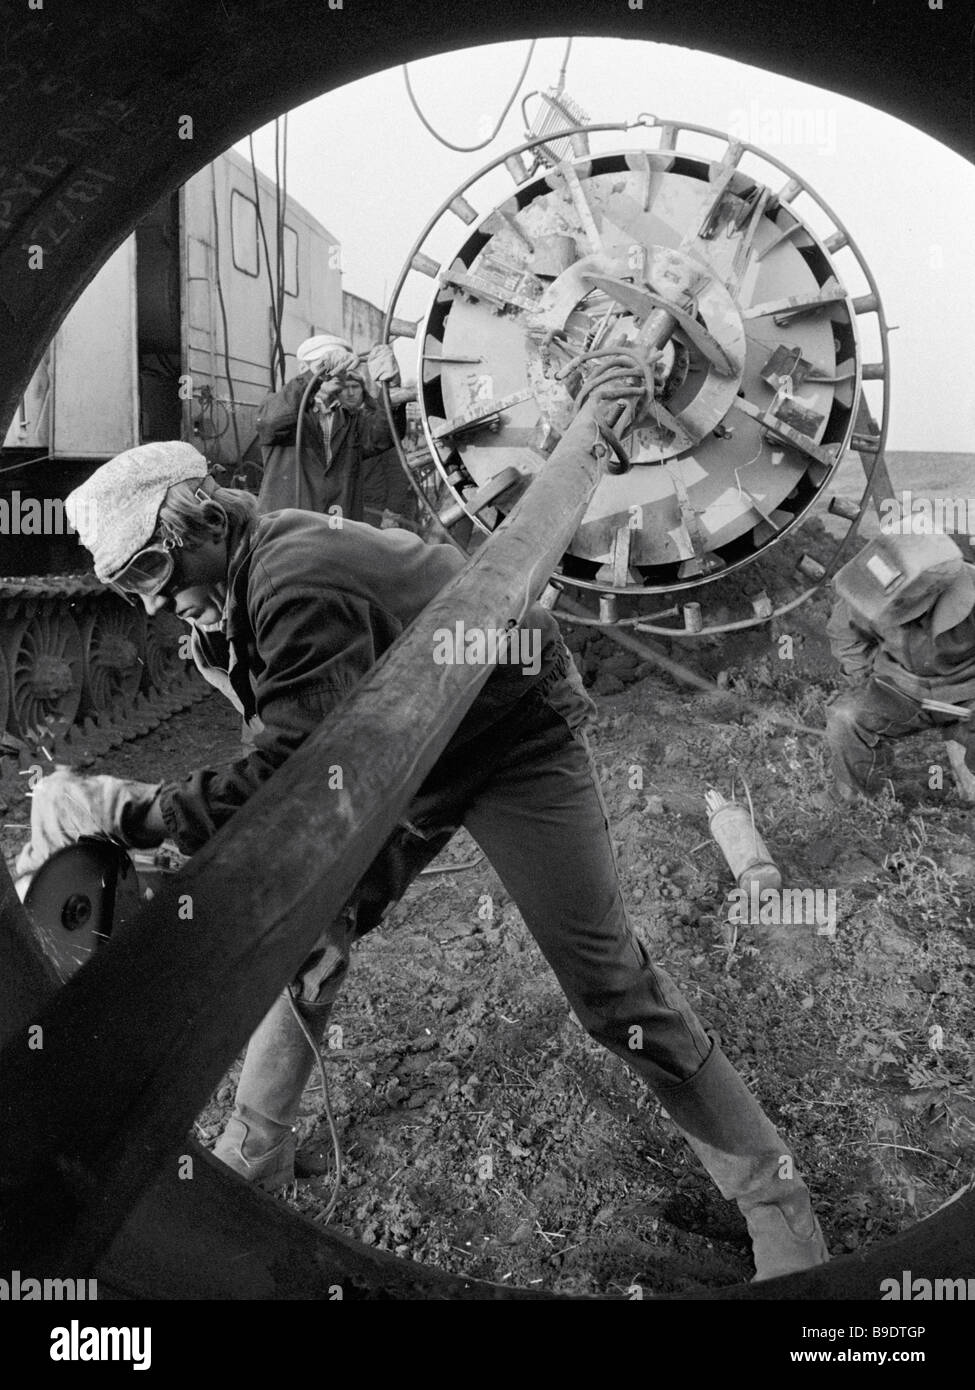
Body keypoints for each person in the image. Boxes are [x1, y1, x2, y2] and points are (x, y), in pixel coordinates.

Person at [29, 439, 828, 1282]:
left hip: (504, 737)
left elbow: (288, 778)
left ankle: (775, 1201)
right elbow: (291, 756)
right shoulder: (231, 594)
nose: (150, 600)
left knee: (610, 989)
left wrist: (133, 810)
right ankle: (256, 1154)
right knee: (305, 935)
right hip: (394, 751)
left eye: (152, 563)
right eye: (127, 583)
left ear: (205, 519)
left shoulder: (297, 580)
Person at [826, 531, 975, 801]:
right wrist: (863, 678)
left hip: (968, 695)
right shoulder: (872, 587)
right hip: (899, 687)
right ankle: (855, 799)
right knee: (846, 717)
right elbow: (846, 636)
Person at [255, 335, 410, 524]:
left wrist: (390, 389)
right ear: (303, 368)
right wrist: (313, 378)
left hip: (336, 529)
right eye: (325, 363)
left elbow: (384, 436)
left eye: (341, 365)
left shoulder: (351, 420)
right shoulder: (278, 407)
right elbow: (270, 422)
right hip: (285, 529)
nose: (336, 372)